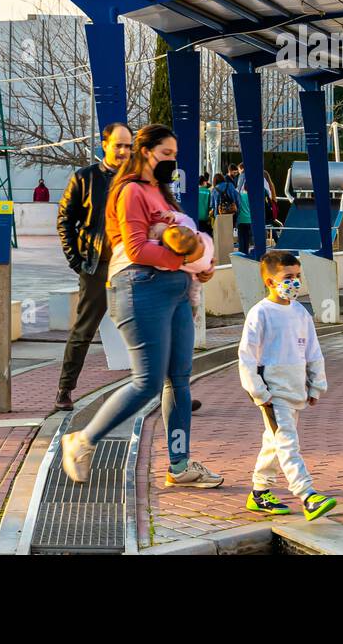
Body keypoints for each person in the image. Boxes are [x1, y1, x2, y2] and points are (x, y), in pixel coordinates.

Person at [60, 124, 222, 487]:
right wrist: (183, 261)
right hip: (140, 287)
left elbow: (179, 243)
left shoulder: (159, 193)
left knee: (178, 380)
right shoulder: (131, 191)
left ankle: (180, 466)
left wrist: (199, 266)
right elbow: (136, 249)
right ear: (145, 151)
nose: (172, 161)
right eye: (166, 154)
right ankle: (82, 441)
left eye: (175, 156)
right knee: (147, 382)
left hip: (175, 291)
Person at [237, 250, 336, 521]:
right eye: (288, 277)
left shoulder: (300, 312)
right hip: (273, 393)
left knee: (274, 441)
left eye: (298, 276)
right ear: (270, 282)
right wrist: (259, 392)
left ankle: (259, 492)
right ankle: (307, 495)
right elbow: (246, 357)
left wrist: (316, 385)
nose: (295, 282)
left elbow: (313, 351)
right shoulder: (260, 314)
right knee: (287, 443)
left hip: (295, 391)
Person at [54, 122, 132, 411]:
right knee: (84, 328)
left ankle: (171, 392)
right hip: (97, 264)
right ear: (105, 145)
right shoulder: (84, 178)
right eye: (119, 145)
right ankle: (65, 388)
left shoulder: (137, 180)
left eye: (128, 146)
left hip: (132, 265)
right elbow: (64, 220)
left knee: (153, 328)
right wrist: (77, 260)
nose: (124, 151)